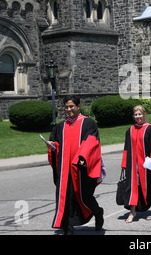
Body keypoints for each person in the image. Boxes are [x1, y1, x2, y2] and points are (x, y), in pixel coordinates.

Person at [47, 95, 105, 235]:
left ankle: (98, 213)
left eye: (71, 106)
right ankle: (68, 229)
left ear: (78, 106)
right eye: (66, 107)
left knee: (86, 197)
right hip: (65, 169)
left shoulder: (88, 123)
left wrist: (81, 160)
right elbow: (55, 143)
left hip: (81, 169)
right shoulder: (60, 126)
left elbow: (91, 142)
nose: (69, 109)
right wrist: (53, 146)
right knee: (66, 198)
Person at [121, 105, 151, 223]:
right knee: (132, 188)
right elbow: (126, 148)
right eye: (136, 114)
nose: (138, 117)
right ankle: (132, 212)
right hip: (133, 165)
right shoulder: (130, 130)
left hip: (147, 165)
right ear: (133, 116)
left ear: (144, 115)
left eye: (140, 114)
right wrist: (124, 164)